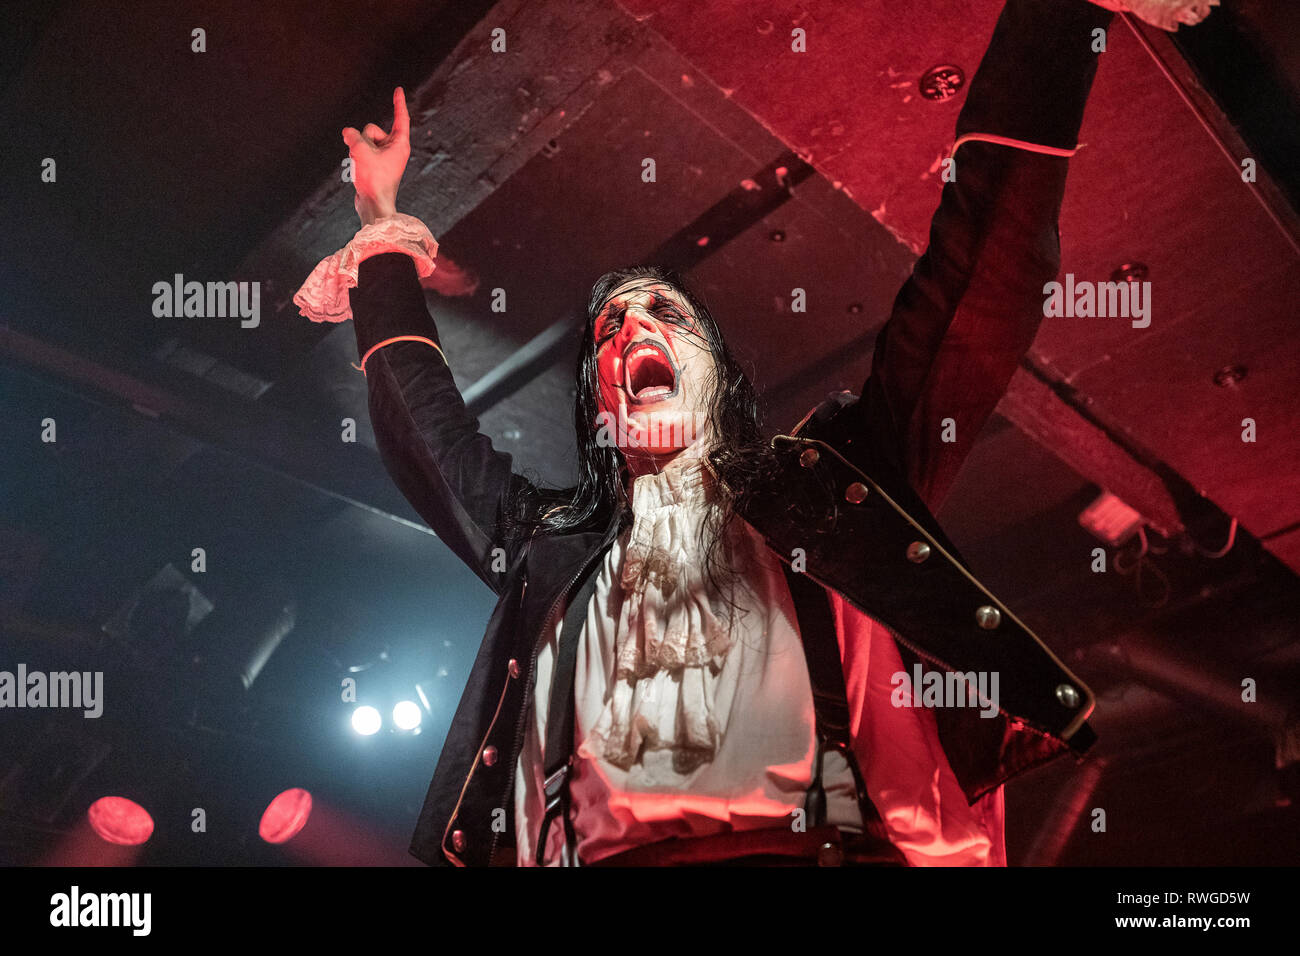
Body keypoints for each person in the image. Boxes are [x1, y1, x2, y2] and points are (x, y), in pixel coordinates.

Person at [295, 0, 1215, 866]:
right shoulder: (548, 545)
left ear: (715, 382)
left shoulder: (841, 488)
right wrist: (379, 225)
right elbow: (427, 432)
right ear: (600, 408)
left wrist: (1059, 21)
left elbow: (975, 285)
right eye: (611, 331)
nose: (635, 332)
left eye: (665, 317)